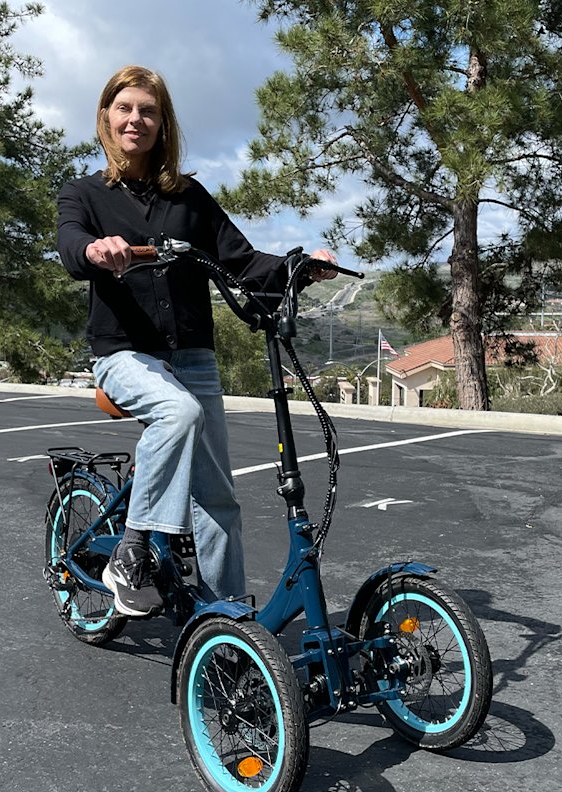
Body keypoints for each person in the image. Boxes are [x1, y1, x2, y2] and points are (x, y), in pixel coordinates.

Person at [56, 64, 336, 617]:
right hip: (124, 354)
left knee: (218, 500)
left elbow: (243, 262)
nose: (135, 119)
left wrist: (301, 266)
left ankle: (225, 625)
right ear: (106, 117)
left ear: (163, 123)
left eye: (148, 111)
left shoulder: (190, 198)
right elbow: (71, 245)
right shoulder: (83, 194)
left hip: (194, 357)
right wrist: (95, 250)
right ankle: (133, 548)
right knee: (178, 413)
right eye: (124, 108)